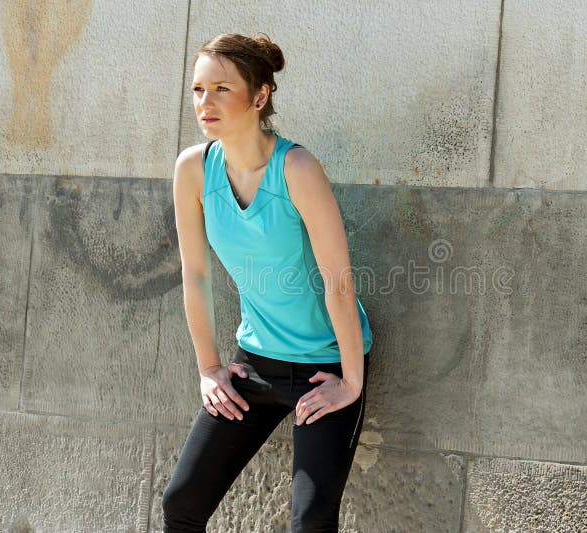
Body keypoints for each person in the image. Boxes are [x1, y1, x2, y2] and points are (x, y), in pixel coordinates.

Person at [161, 33, 374, 532]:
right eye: (198, 90)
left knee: (310, 521)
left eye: (221, 89)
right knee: (181, 503)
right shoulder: (194, 169)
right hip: (254, 364)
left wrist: (352, 381)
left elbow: (338, 280)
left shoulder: (296, 167)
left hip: (324, 368)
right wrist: (209, 368)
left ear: (259, 97)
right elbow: (195, 274)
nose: (205, 103)